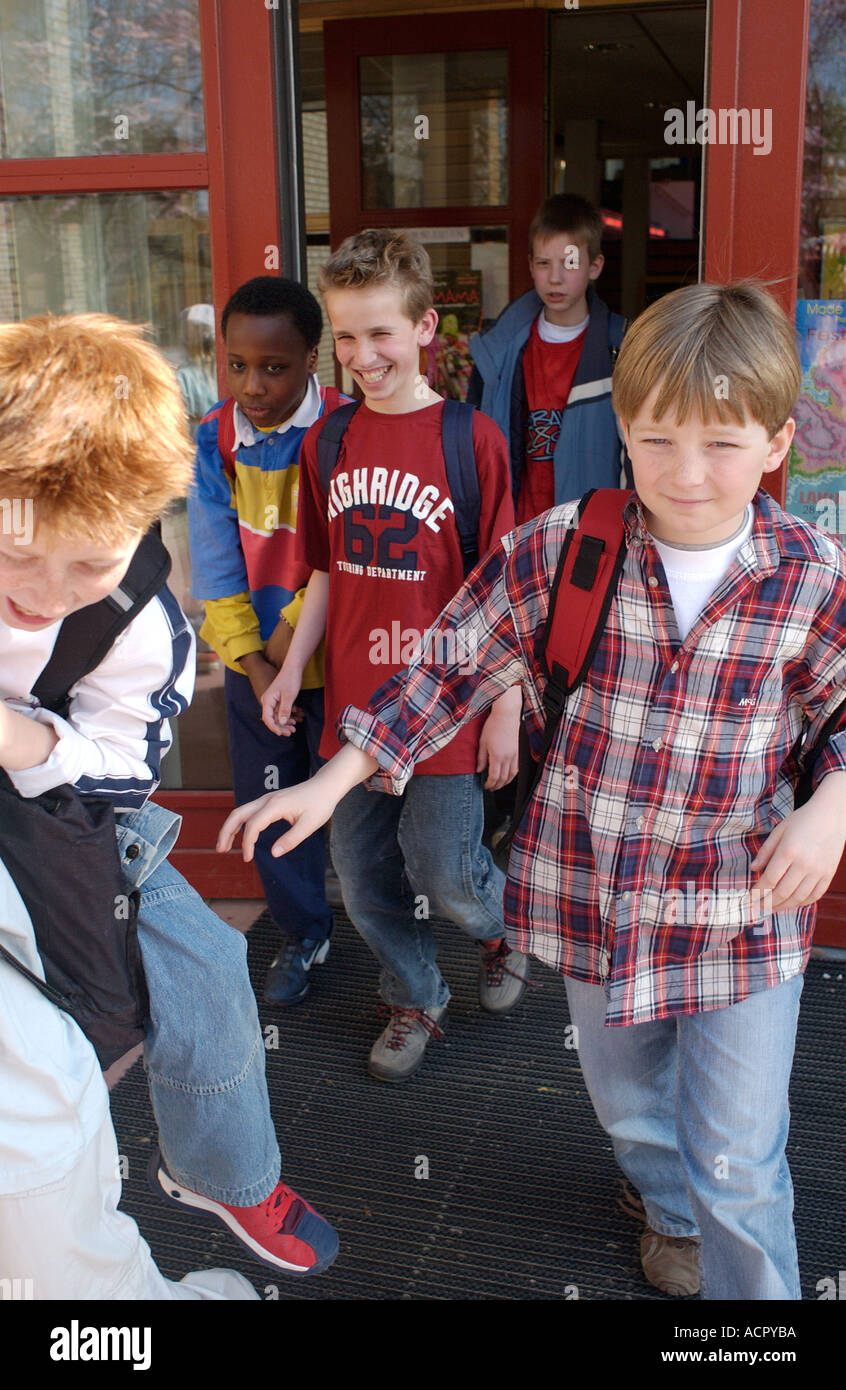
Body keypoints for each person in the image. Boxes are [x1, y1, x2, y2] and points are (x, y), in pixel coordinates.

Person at [219, 281, 846, 1300]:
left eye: (722, 444)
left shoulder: (814, 575)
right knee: (629, 1103)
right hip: (595, 897)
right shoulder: (566, 549)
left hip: (745, 909)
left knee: (740, 1157)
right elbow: (445, 671)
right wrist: (331, 782)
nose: (687, 473)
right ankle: (665, 1205)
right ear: (624, 430)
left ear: (777, 443)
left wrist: (833, 807)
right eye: (659, 439)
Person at [0, 312, 338, 1297]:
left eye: (89, 563)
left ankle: (225, 1174)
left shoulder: (139, 623)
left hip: (70, 813)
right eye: (18, 551)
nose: (46, 592)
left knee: (208, 967)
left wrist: (22, 741)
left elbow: (123, 773)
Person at [258, 229, 530, 1082]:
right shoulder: (328, 439)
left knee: (448, 875)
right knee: (362, 876)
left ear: (424, 328)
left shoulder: (471, 439)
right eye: (345, 336)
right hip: (352, 705)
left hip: (447, 706)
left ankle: (502, 929)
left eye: (380, 332)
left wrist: (508, 706)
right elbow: (326, 571)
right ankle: (415, 994)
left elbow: (507, 593)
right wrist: (290, 669)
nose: (362, 355)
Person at [188, 276, 345, 1006]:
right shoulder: (215, 438)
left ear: (313, 359)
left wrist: (284, 649)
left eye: (275, 367)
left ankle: (397, 941)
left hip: (338, 660)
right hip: (254, 664)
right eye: (238, 366)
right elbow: (216, 566)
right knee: (269, 799)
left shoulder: (345, 430)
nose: (253, 385)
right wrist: (253, 664)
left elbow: (341, 558)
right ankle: (304, 932)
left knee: (362, 812)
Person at [467, 193, 629, 524]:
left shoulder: (621, 348)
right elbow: (473, 451)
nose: (555, 277)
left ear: (594, 266)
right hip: (518, 530)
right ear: (530, 265)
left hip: (590, 532)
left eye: (569, 263)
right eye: (543, 263)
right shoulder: (496, 351)